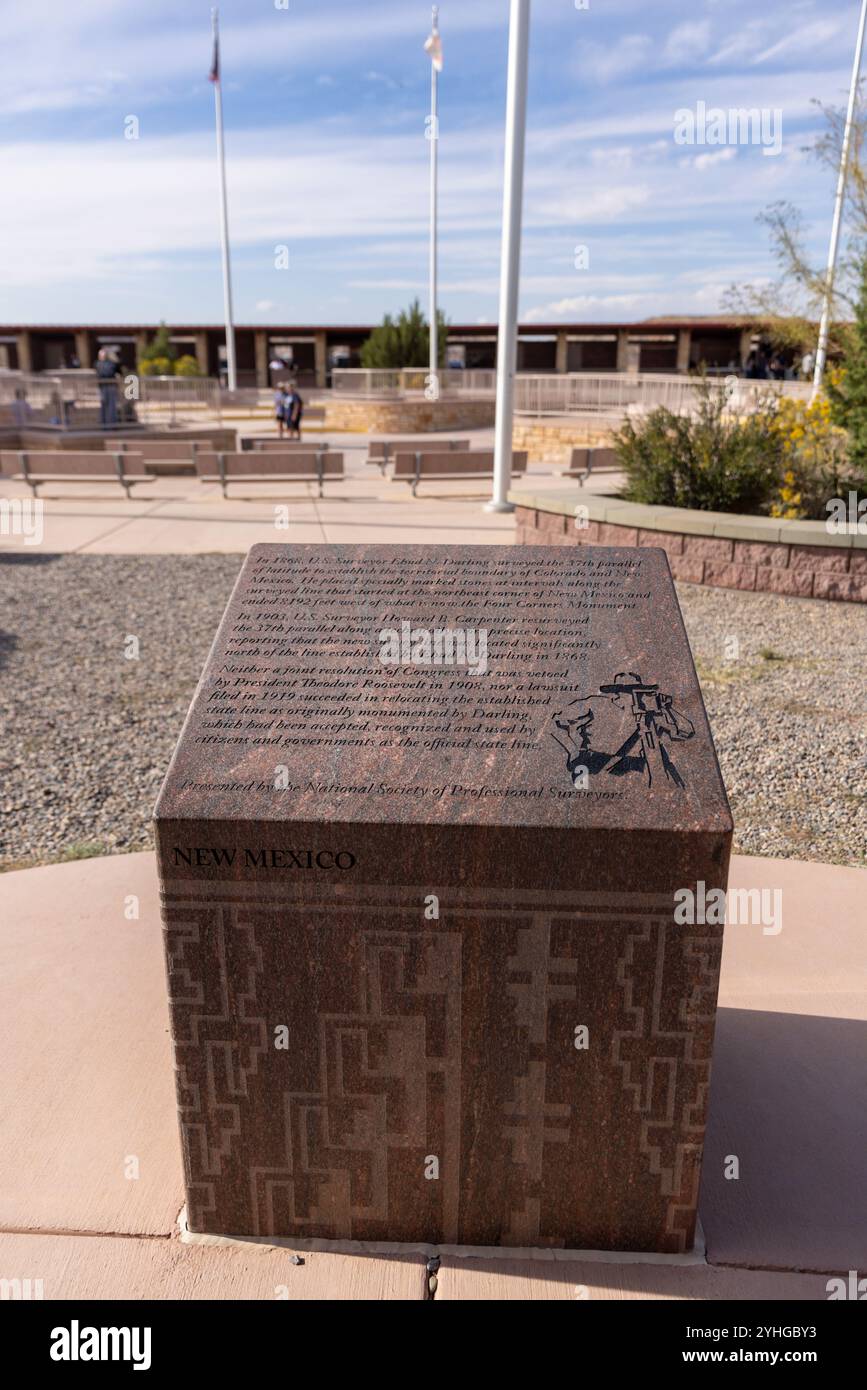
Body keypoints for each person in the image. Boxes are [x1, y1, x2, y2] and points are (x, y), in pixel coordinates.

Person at [95, 348, 122, 427]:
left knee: (110, 406)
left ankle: (110, 425)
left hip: (109, 387)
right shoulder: (99, 364)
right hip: (104, 387)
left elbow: (118, 370)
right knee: (106, 406)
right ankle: (106, 424)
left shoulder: (110, 364)